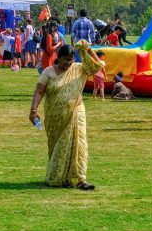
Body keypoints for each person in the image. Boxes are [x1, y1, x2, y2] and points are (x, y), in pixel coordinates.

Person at [28, 42, 104, 190]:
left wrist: (88, 49)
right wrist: (33, 110)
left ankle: (80, 179)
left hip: (76, 112)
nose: (68, 63)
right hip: (55, 116)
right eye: (65, 59)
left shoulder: (79, 68)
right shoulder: (48, 72)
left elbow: (97, 65)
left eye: (71, 59)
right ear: (58, 57)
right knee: (58, 146)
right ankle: (57, 177)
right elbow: (39, 92)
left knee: (80, 145)